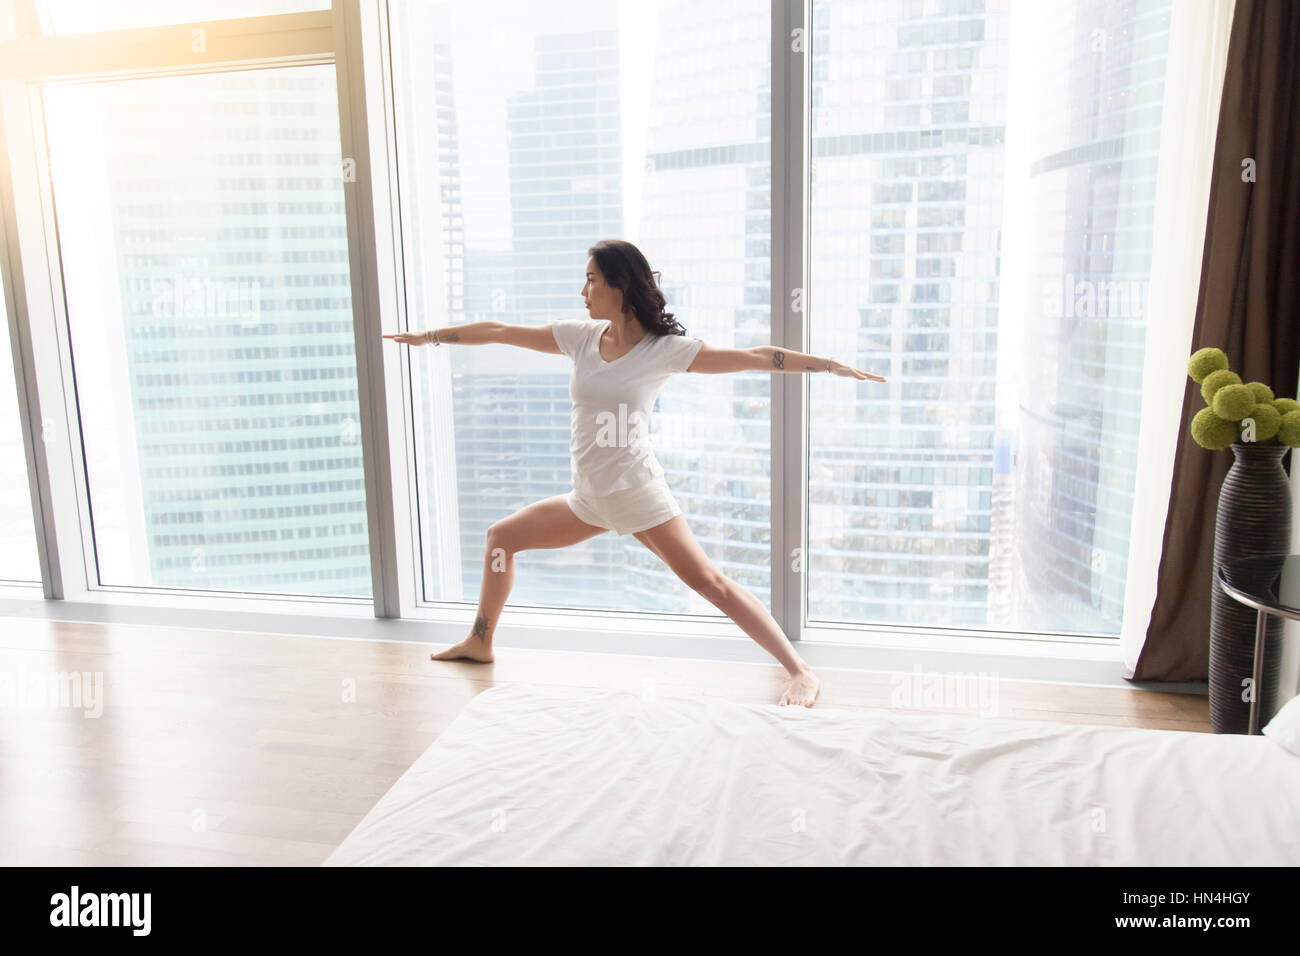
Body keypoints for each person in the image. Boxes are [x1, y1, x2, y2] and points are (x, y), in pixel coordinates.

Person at [383, 239, 885, 706]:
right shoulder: (580, 339)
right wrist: (431, 337)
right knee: (500, 539)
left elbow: (755, 358)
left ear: (620, 286)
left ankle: (800, 670)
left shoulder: (664, 350)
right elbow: (498, 332)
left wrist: (828, 365)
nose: (583, 292)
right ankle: (480, 640)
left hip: (636, 494)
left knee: (711, 584)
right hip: (588, 498)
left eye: (592, 280)